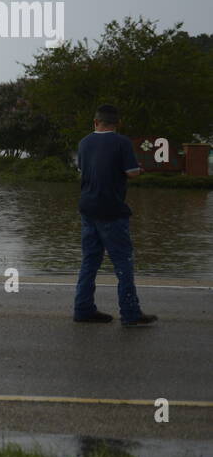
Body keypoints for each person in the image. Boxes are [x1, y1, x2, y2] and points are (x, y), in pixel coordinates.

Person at [72, 104, 157, 327]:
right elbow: (130, 172)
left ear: (95, 122)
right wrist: (139, 170)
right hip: (112, 210)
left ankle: (83, 309)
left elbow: (82, 171)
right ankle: (130, 313)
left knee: (90, 261)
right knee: (123, 262)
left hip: (88, 208)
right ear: (116, 124)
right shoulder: (122, 142)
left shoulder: (84, 142)